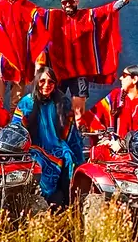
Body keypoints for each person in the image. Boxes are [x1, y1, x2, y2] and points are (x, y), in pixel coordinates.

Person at [35, 0, 137, 122]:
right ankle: (53, 135)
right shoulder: (53, 16)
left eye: (70, 2)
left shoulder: (87, 16)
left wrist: (124, 0)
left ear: (77, 2)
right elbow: (33, 13)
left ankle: (77, 136)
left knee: (79, 109)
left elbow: (107, 10)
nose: (67, 5)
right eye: (64, 2)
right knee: (53, 106)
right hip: (59, 71)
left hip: (80, 71)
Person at [11, 66, 85, 206]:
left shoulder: (63, 102)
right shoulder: (26, 102)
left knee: (68, 158)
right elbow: (16, 130)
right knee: (37, 161)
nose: (46, 85)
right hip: (32, 148)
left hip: (57, 147)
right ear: (36, 82)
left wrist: (79, 159)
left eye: (51, 82)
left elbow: (71, 133)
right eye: (42, 81)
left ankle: (66, 205)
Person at [87, 64, 138, 139]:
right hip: (109, 143)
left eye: (124, 75)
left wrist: (121, 144)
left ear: (135, 79)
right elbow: (95, 116)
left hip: (132, 148)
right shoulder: (115, 95)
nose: (120, 78)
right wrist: (104, 138)